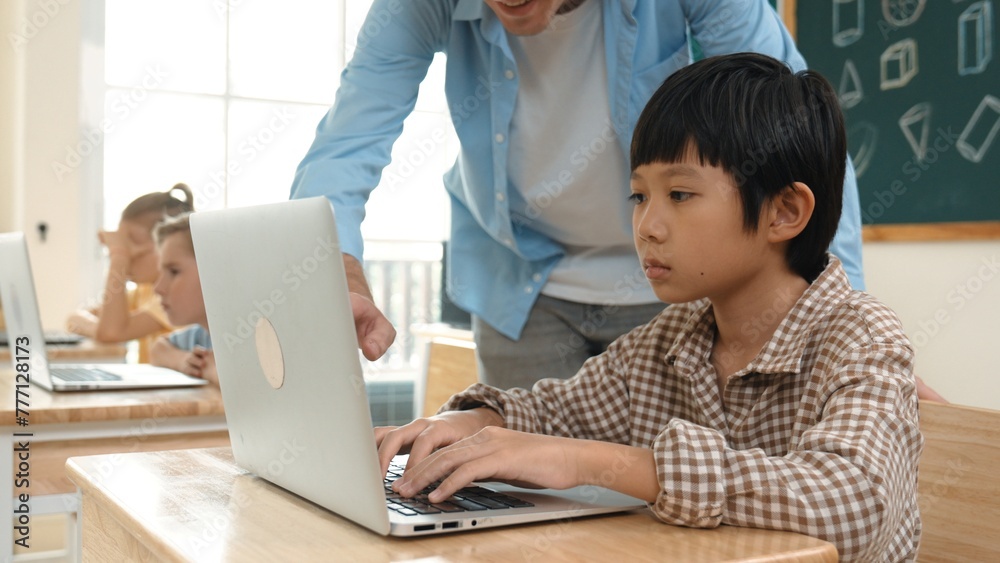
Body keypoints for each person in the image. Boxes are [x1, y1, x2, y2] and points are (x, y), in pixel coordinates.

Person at [375, 53, 921, 561]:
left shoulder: (862, 337)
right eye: (639, 196)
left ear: (784, 211)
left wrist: (586, 461)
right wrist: (475, 422)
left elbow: (853, 503)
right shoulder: (670, 337)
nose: (646, 227)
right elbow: (556, 414)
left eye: (679, 195)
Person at [289, 0, 867, 391]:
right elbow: (348, 139)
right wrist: (336, 268)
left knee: (684, 497)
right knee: (522, 497)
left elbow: (802, 142)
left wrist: (838, 320)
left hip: (677, 289)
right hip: (519, 287)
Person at [66, 184, 194, 362]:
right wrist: (98, 328)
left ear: (164, 243)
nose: (126, 250)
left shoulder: (174, 296)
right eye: (121, 241)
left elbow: (111, 332)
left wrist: (118, 256)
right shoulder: (145, 291)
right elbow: (74, 319)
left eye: (132, 240)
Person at [149, 213, 216, 384]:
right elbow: (158, 349)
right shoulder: (203, 335)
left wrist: (214, 371)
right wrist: (182, 360)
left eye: (174, 271)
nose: (158, 288)